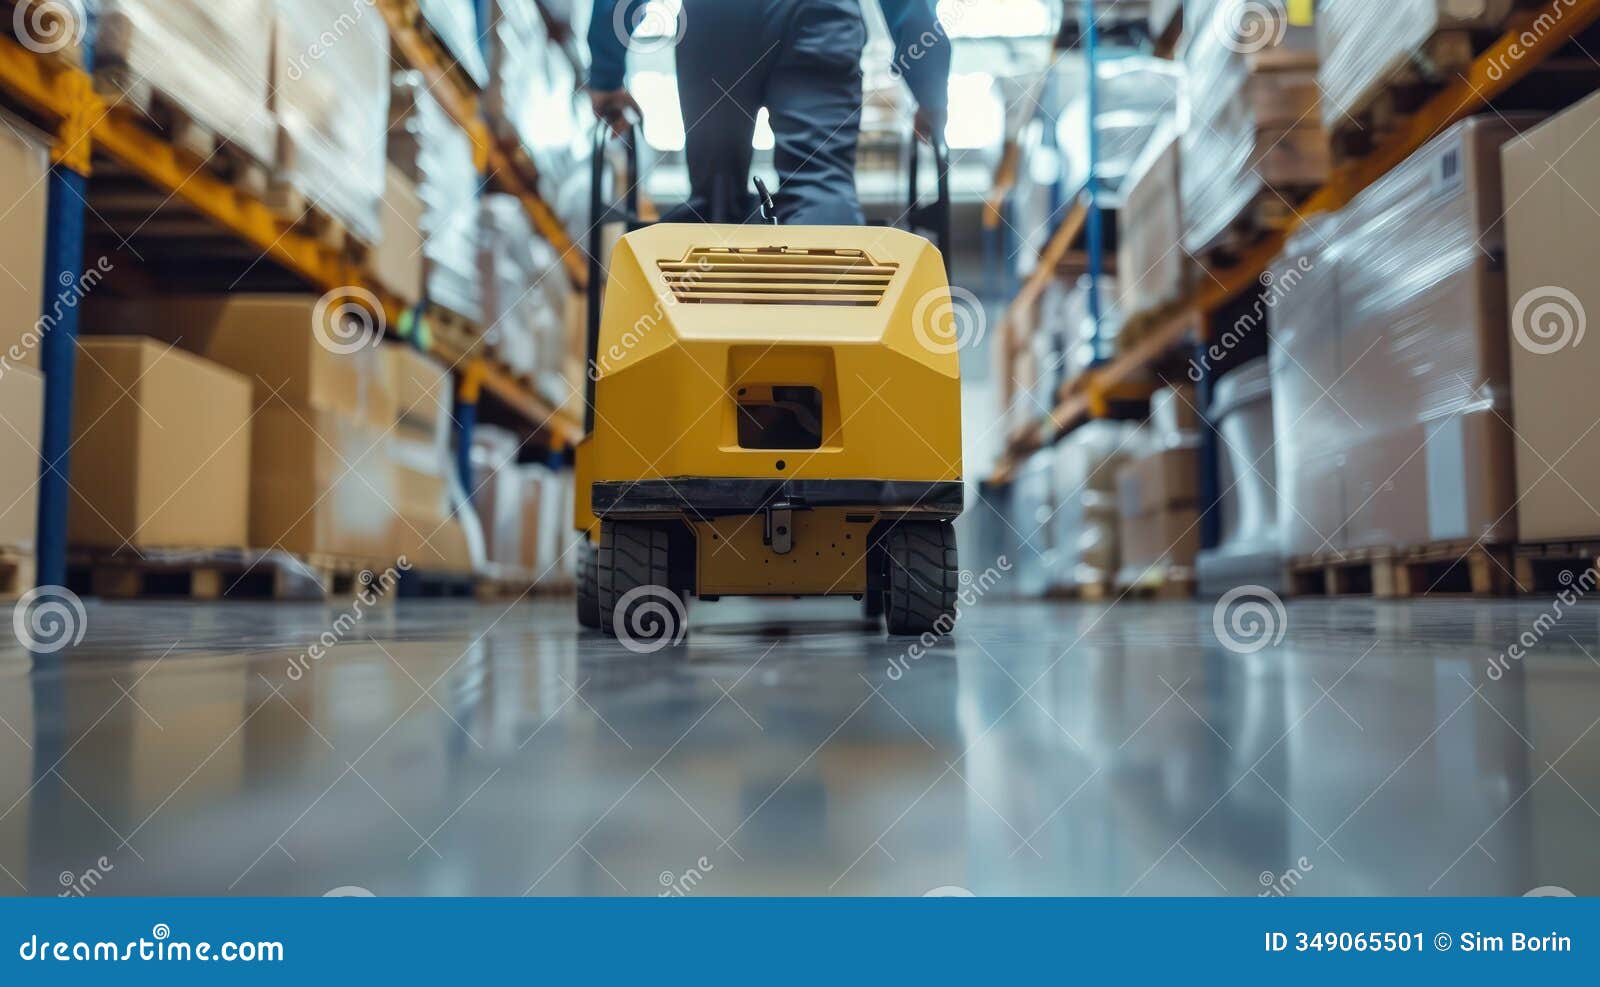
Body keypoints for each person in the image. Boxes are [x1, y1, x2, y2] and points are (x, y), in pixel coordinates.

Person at [587, 0, 950, 226]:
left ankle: (716, 333)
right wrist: (930, 92)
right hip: (819, 14)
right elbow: (913, 9)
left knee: (716, 197)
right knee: (819, 185)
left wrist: (605, 73)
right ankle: (820, 334)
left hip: (717, 14)